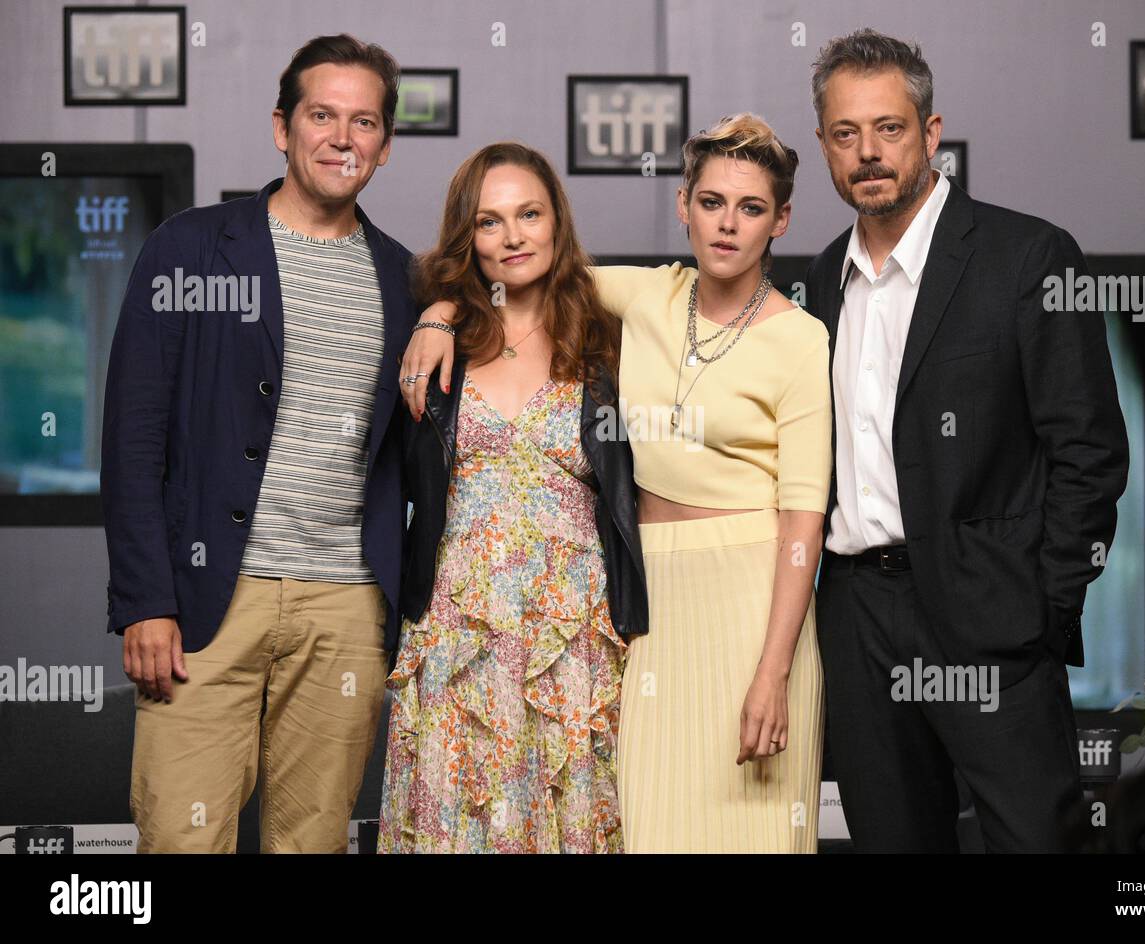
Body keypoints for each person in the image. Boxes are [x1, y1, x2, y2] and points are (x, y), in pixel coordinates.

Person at [403, 114, 832, 853]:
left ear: (780, 219)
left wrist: (773, 672)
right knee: (646, 823)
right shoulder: (649, 299)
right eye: (711, 203)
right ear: (683, 207)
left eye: (751, 207)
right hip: (651, 606)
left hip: (749, 596)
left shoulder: (800, 337)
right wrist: (438, 313)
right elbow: (519, 273)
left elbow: (804, 520)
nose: (727, 225)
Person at [802, 28, 1129, 852]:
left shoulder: (1028, 257)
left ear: (932, 133)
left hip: (994, 621)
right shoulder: (809, 286)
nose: (868, 152)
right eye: (847, 134)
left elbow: (1088, 452)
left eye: (889, 128)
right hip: (857, 619)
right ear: (824, 147)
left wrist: (1042, 612)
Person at [102, 35, 415, 853]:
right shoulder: (191, 248)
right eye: (322, 115)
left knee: (310, 842)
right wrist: (147, 600)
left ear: (383, 144)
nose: (343, 138)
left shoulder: (406, 281)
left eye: (365, 121)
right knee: (179, 836)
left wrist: (449, 309)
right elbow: (134, 437)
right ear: (282, 128)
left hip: (346, 606)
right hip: (207, 604)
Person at [378, 143, 647, 853]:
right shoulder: (436, 333)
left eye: (529, 214)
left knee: (572, 823)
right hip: (459, 626)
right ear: (467, 236)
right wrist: (438, 311)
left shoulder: (605, 334)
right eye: (490, 222)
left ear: (557, 221)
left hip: (575, 630)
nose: (514, 236)